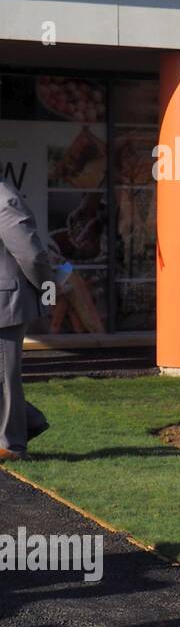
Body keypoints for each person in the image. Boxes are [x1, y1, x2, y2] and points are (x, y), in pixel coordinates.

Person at [0, 177, 55, 461]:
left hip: (5, 302)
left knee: (5, 377)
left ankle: (11, 445)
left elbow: (31, 256)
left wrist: (48, 289)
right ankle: (29, 421)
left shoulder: (4, 199)